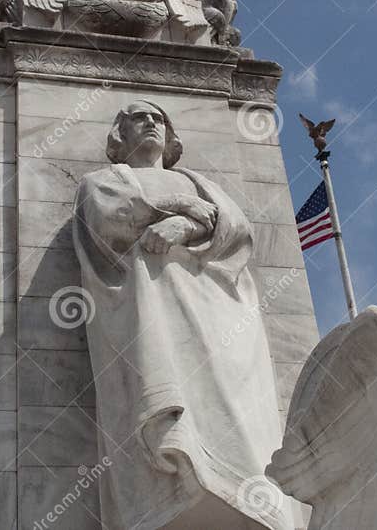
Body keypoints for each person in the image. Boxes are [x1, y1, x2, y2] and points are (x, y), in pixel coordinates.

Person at [73, 101, 292, 530]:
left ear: (172, 135)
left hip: (218, 307)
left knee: (233, 411)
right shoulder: (103, 181)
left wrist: (188, 226)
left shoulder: (199, 181)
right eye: (139, 117)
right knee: (165, 393)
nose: (152, 122)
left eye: (159, 118)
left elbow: (237, 229)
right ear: (120, 134)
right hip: (152, 303)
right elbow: (109, 216)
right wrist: (185, 208)